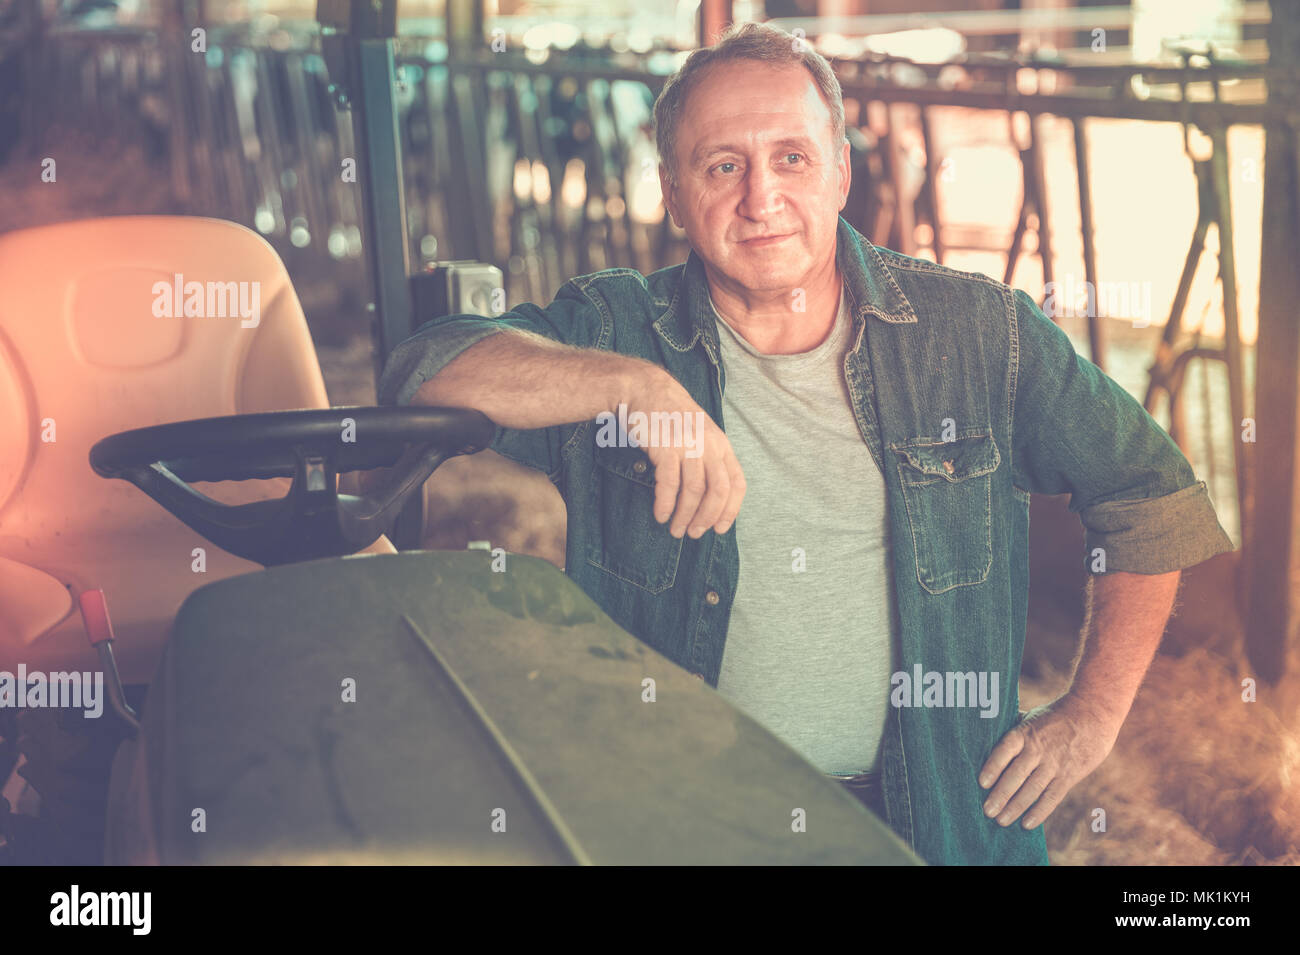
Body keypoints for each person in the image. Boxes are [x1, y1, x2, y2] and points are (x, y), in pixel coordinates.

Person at [377, 21, 1234, 865]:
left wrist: (1089, 718)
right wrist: (630, 387)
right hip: (682, 825)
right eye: (723, 166)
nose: (761, 198)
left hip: (932, 824)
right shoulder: (617, 329)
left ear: (841, 173)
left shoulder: (978, 335)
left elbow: (1149, 494)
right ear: (674, 193)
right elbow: (424, 368)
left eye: (790, 158)